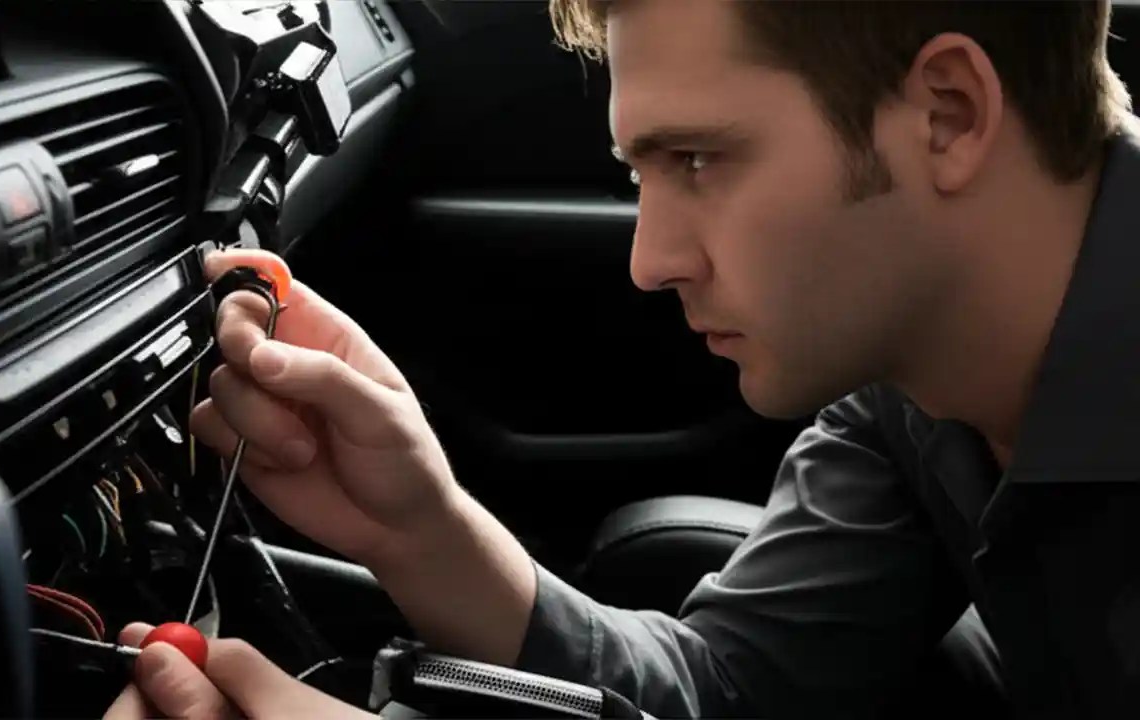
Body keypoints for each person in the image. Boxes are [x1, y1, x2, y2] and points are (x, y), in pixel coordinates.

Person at [106, 0, 1140, 717]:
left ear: (947, 114)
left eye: (697, 160)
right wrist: (416, 527)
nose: (648, 261)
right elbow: (730, 694)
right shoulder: (909, 395)